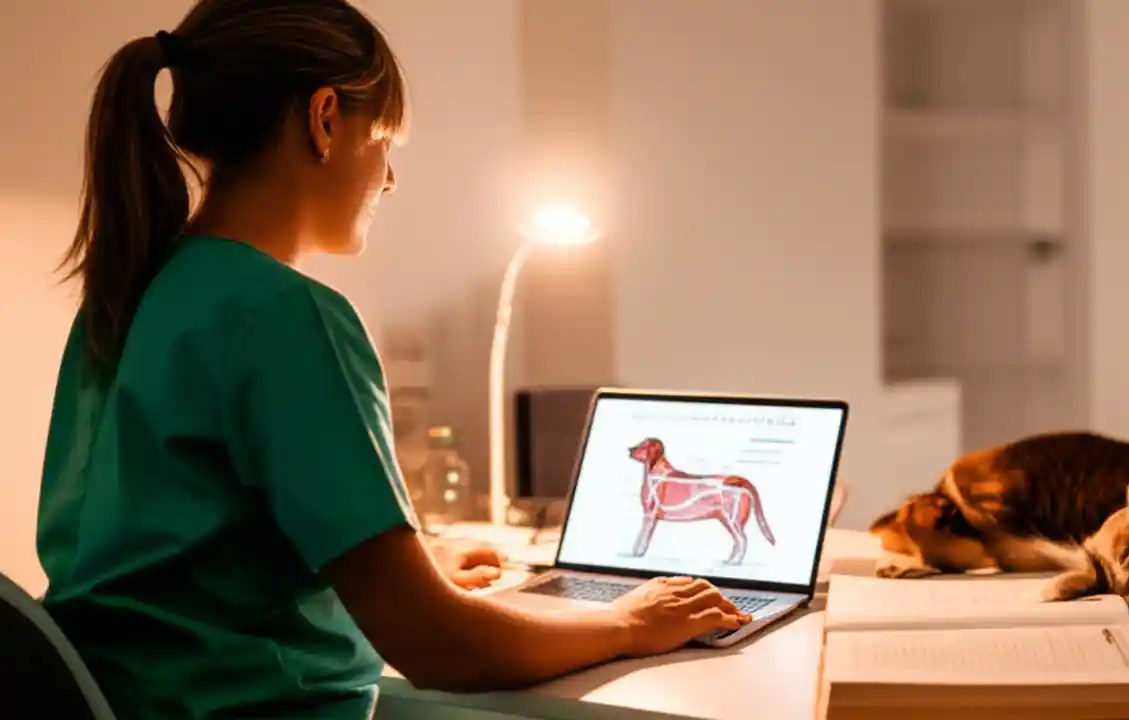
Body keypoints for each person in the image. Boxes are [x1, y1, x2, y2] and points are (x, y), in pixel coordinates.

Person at [35, 1, 751, 718]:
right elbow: (438, 644)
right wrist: (630, 621)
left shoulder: (132, 294)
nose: (390, 179)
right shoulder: (285, 316)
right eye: (385, 140)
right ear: (323, 120)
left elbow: (169, 569)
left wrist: (410, 566)